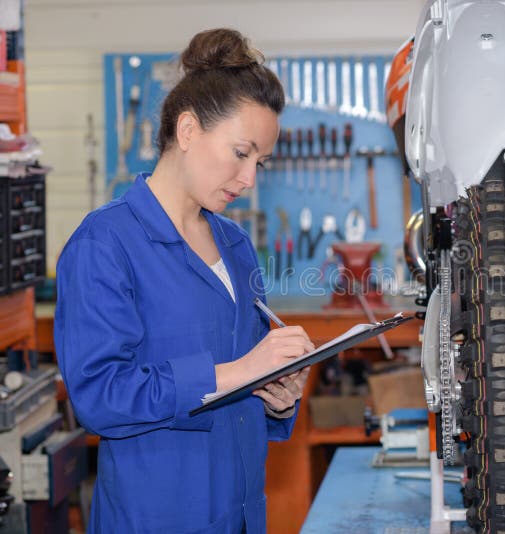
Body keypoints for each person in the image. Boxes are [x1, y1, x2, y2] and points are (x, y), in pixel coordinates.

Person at [55, 29, 313, 533]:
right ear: (189, 130)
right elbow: (100, 397)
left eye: (260, 162)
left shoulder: (235, 246)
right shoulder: (104, 245)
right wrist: (237, 372)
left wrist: (277, 396)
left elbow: (246, 382)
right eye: (241, 153)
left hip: (240, 516)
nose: (249, 179)